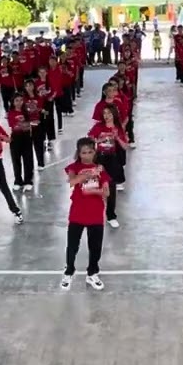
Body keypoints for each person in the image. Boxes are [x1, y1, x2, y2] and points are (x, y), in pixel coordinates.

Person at [63, 137, 109, 291]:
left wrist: (94, 190)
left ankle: (92, 272)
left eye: (90, 152)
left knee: (95, 246)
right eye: (84, 153)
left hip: (96, 213)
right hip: (77, 212)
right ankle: (69, 270)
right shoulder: (73, 167)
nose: (87, 155)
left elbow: (106, 191)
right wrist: (87, 176)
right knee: (72, 245)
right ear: (79, 153)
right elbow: (72, 182)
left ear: (94, 152)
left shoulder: (101, 169)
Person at [88, 104, 129, 228]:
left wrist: (117, 138)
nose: (106, 116)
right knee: (93, 185)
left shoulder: (118, 128)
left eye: (109, 114)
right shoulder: (98, 126)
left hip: (112, 159)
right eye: (105, 113)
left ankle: (111, 215)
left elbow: (125, 146)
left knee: (111, 187)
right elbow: (90, 139)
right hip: (99, 158)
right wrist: (98, 140)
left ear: (113, 115)